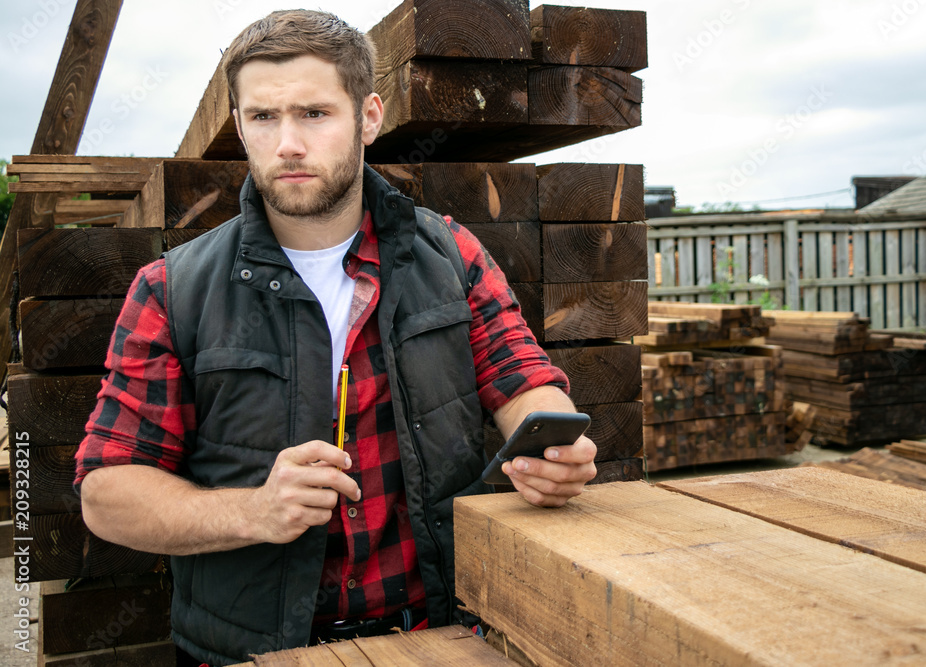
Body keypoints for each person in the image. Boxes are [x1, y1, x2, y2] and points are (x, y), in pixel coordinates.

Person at [74, 9, 597, 666]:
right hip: (250, 653)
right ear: (239, 126)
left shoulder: (450, 255)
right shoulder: (172, 290)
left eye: (314, 113)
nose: (287, 143)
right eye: (263, 118)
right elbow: (106, 492)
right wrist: (255, 511)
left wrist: (554, 445)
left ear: (369, 117)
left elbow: (524, 380)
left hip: (434, 637)